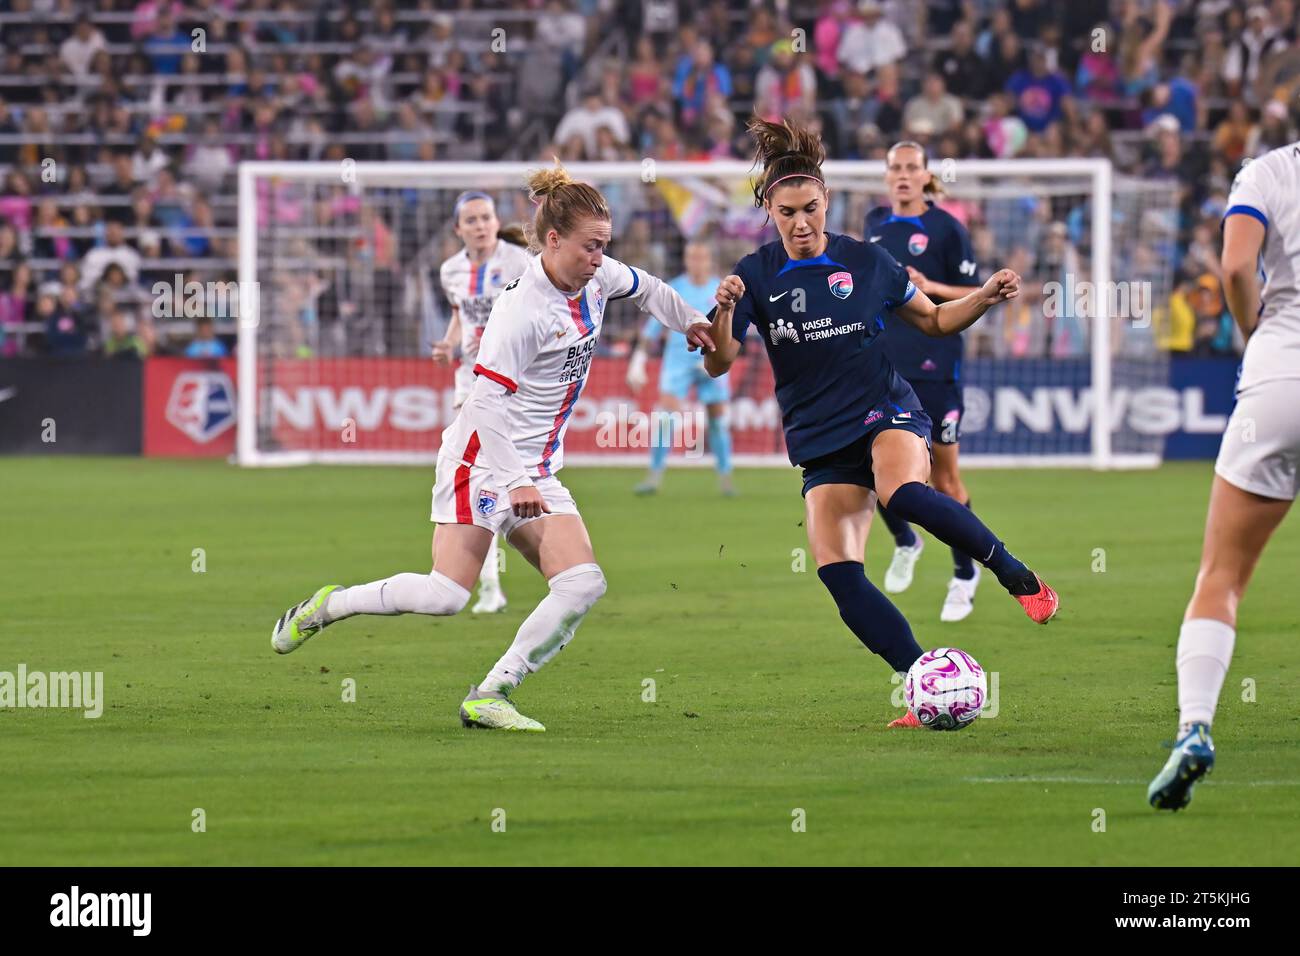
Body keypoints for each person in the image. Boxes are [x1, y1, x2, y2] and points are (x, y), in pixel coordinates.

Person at [270, 163, 717, 732]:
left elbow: (648, 288)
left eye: (605, 247)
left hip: (535, 467)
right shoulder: (522, 311)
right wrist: (515, 480)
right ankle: (329, 605)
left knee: (583, 583)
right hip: (483, 463)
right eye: (589, 247)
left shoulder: (596, 276)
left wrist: (693, 323)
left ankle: (491, 692)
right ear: (553, 240)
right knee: (446, 595)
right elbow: (482, 403)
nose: (600, 259)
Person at [700, 117, 1059, 728]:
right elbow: (719, 362)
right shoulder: (754, 275)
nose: (801, 223)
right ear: (769, 210)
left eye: (810, 208)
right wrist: (728, 312)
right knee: (839, 575)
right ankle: (923, 683)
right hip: (819, 439)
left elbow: (936, 322)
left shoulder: (869, 262)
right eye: (787, 212)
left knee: (904, 493)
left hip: (884, 411)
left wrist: (983, 298)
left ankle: (1014, 573)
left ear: (827, 202)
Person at [1148, 139, 1300, 810]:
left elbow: (1237, 266)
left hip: (1279, 379)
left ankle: (1195, 728)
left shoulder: (1266, 171)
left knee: (1222, 576)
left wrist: (1255, 333)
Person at [865, 141, 985, 622]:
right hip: (884, 371)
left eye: (911, 168)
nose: (902, 176)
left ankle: (964, 574)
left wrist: (931, 289)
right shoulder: (875, 225)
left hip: (937, 370)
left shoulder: (947, 228)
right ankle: (905, 542)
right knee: (873, 472)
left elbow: (975, 293)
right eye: (895, 168)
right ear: (887, 174)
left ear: (925, 175)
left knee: (943, 478)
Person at [432, 191, 531, 614]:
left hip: (510, 381)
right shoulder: (450, 270)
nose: (480, 225)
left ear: (495, 221)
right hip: (468, 381)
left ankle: (493, 578)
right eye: (471, 220)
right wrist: (449, 344)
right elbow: (461, 314)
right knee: (475, 483)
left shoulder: (519, 263)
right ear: (459, 229)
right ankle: (488, 584)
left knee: (496, 481)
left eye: (486, 217)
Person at [628, 239, 735, 496]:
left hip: (711, 361)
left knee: (718, 421)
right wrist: (638, 359)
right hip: (678, 362)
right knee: (666, 417)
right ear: (686, 260)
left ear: (710, 261)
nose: (696, 263)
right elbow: (651, 330)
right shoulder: (673, 289)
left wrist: (719, 356)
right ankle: (654, 477)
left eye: (701, 258)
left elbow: (732, 331)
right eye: (692, 258)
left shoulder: (719, 291)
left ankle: (725, 479)